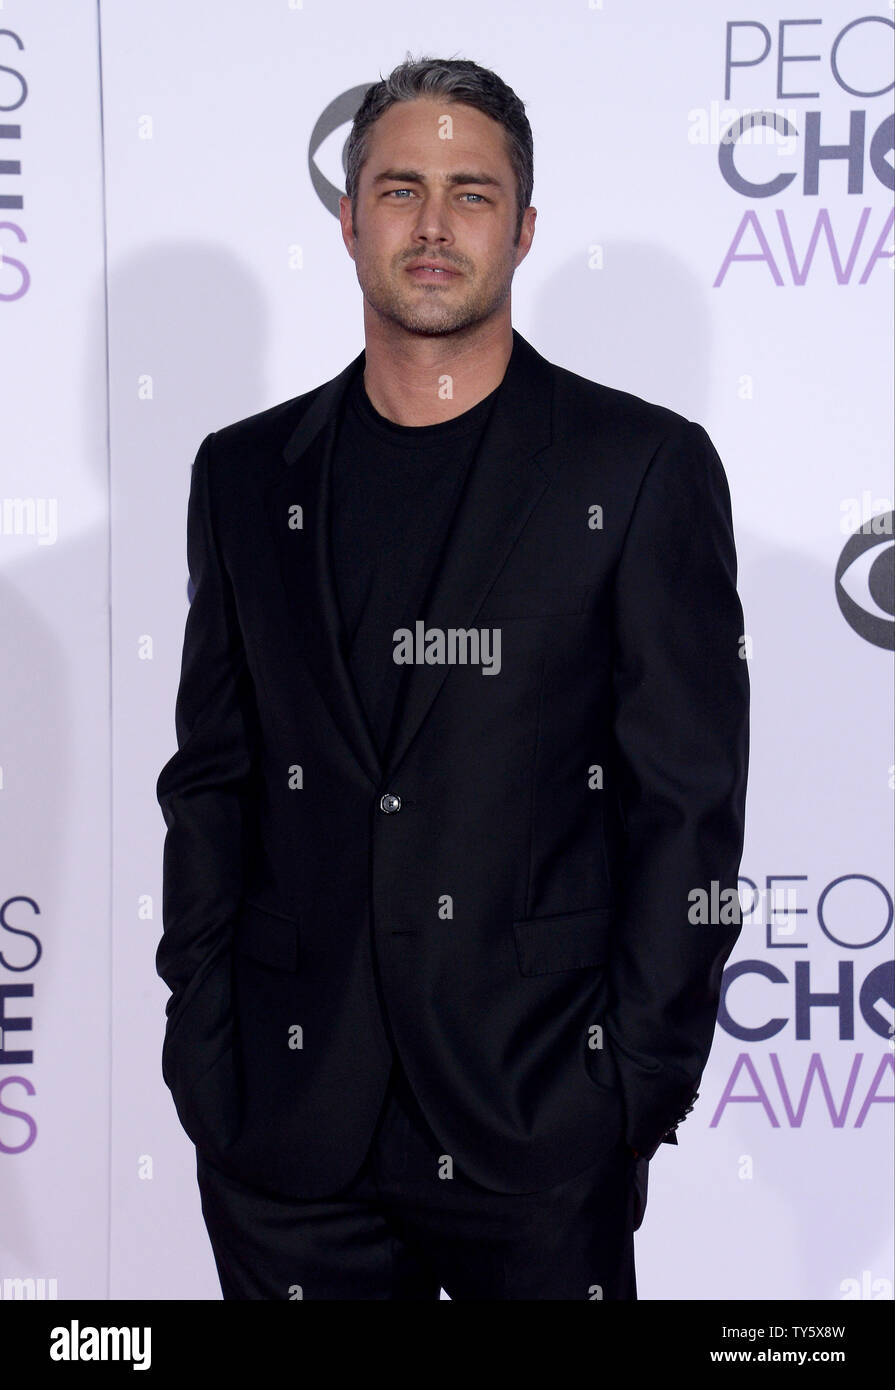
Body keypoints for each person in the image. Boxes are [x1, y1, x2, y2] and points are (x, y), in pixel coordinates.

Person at [156, 55, 750, 1300]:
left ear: (524, 229)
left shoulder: (637, 467)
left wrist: (626, 1084)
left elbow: (683, 806)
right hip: (288, 1132)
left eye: (471, 194)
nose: (432, 227)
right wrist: (205, 1053)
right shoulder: (245, 475)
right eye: (399, 189)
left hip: (532, 1125)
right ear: (347, 215)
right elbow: (213, 779)